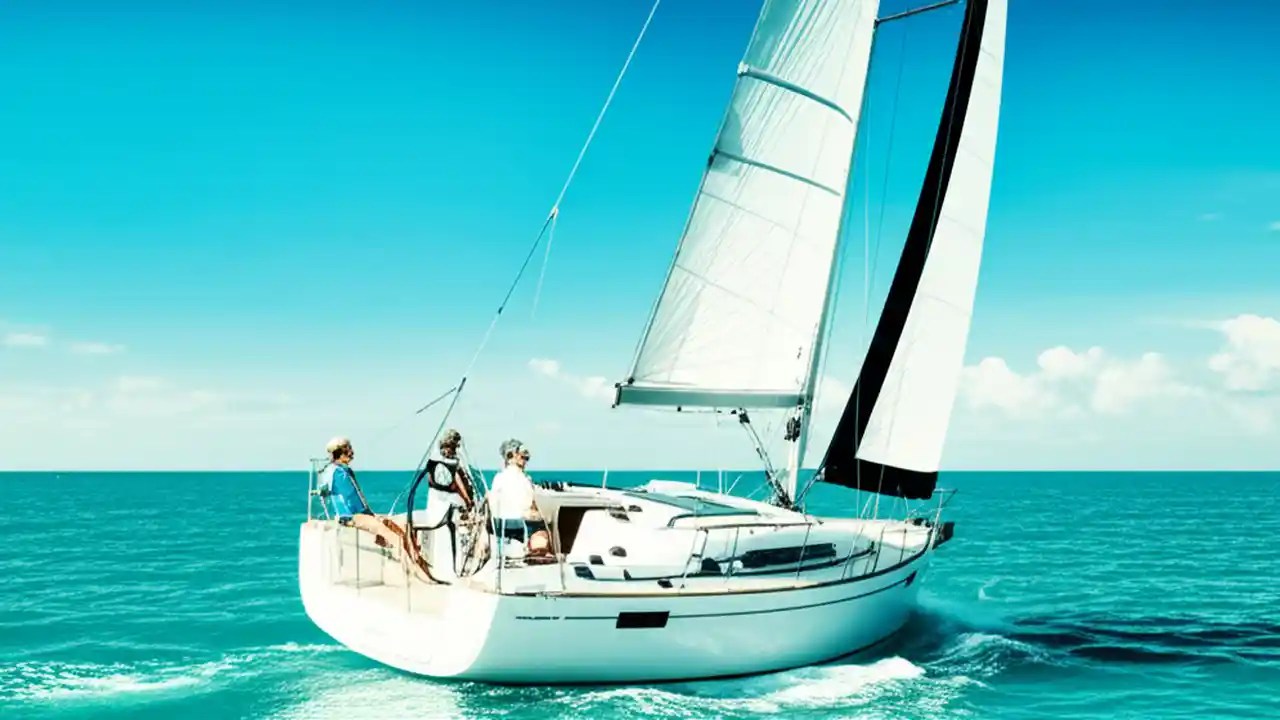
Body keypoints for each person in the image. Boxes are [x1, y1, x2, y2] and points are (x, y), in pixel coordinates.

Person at [317, 436, 407, 550]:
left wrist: (370, 514)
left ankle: (402, 545)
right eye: (347, 449)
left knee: (387, 522)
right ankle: (404, 551)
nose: (351, 452)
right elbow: (351, 497)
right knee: (381, 527)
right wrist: (368, 515)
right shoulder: (338, 473)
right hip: (349, 516)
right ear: (339, 452)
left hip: (356, 514)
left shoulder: (340, 470)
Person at [422, 429, 474, 577]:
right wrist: (468, 501)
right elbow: (459, 484)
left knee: (437, 535)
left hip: (434, 502)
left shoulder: (432, 461)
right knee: (453, 536)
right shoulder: (454, 463)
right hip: (450, 503)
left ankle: (437, 567)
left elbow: (430, 481)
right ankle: (454, 568)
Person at [488, 439, 551, 557]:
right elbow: (528, 506)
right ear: (511, 456)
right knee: (546, 525)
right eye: (523, 457)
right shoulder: (524, 479)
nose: (526, 461)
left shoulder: (498, 478)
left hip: (500, 525)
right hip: (520, 525)